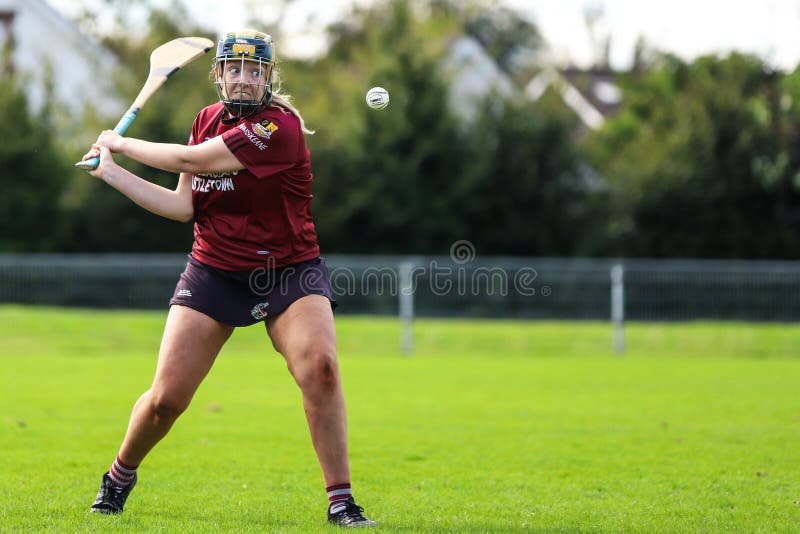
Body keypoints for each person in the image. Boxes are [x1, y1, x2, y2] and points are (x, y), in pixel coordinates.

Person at [82, 29, 376, 528]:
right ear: (219, 75)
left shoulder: (278, 128)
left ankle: (341, 500)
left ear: (268, 77)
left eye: (255, 70)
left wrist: (122, 142)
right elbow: (182, 206)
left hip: (287, 271)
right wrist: (112, 171)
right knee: (165, 401)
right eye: (235, 69)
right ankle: (118, 477)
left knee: (320, 369)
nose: (245, 78)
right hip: (214, 270)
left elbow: (190, 160)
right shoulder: (205, 121)